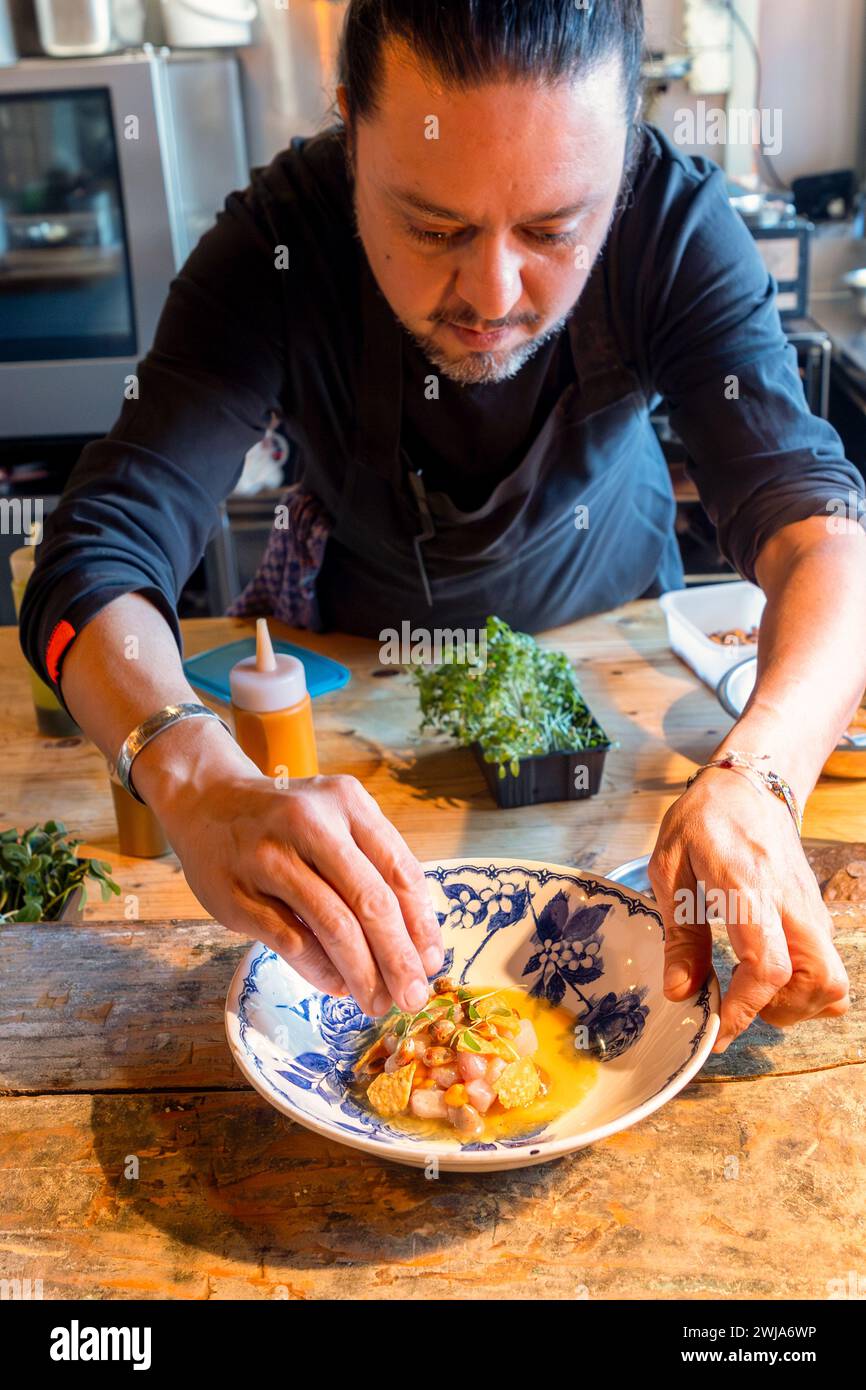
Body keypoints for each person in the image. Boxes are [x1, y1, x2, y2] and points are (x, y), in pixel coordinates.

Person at [20, 1, 865, 1050]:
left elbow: (817, 531)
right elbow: (94, 556)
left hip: (614, 632)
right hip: (363, 663)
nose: (491, 293)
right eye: (433, 228)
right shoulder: (278, 245)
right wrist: (198, 777)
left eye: (556, 229)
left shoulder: (673, 229)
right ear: (348, 130)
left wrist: (761, 774)